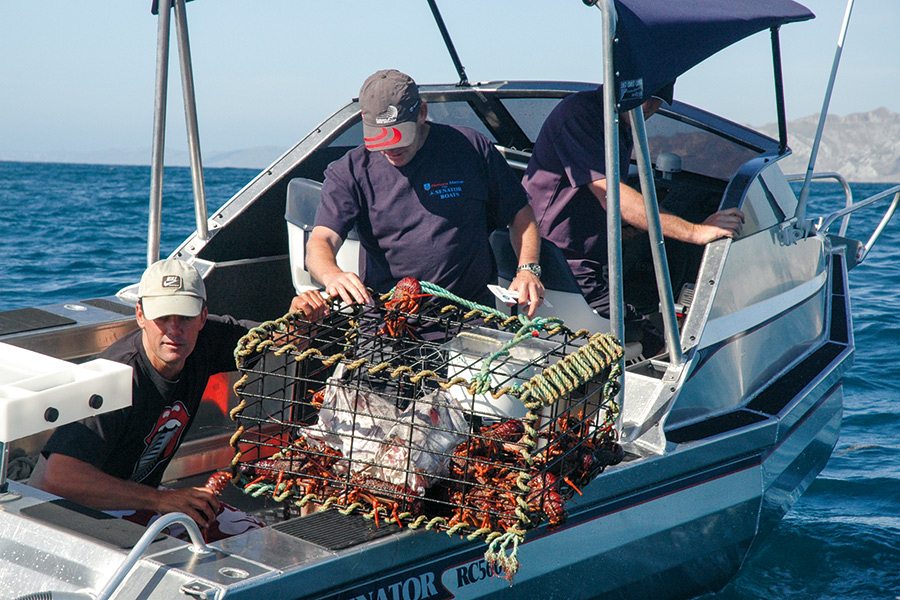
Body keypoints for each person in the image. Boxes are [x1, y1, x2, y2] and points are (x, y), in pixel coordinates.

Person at [33, 259, 326, 540]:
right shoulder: (115, 378)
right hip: (73, 511)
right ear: (140, 316)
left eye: (185, 317)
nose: (174, 330)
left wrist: (299, 321)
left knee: (256, 536)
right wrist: (163, 500)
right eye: (162, 317)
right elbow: (59, 478)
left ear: (202, 317)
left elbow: (279, 340)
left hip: (144, 499)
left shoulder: (205, 340)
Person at [522, 82, 744, 354]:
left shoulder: (619, 124)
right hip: (561, 264)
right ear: (619, 85)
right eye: (642, 96)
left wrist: (625, 228)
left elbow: (594, 199)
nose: (648, 106)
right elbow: (611, 194)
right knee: (654, 344)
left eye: (656, 99)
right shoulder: (580, 115)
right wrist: (695, 231)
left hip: (581, 261)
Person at [306, 69, 545, 317]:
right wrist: (331, 274)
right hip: (390, 315)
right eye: (381, 140)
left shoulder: (470, 147)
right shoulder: (349, 171)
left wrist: (527, 269)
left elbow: (520, 213)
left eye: (401, 138)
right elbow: (321, 240)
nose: (392, 149)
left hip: (468, 315)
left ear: (422, 113)